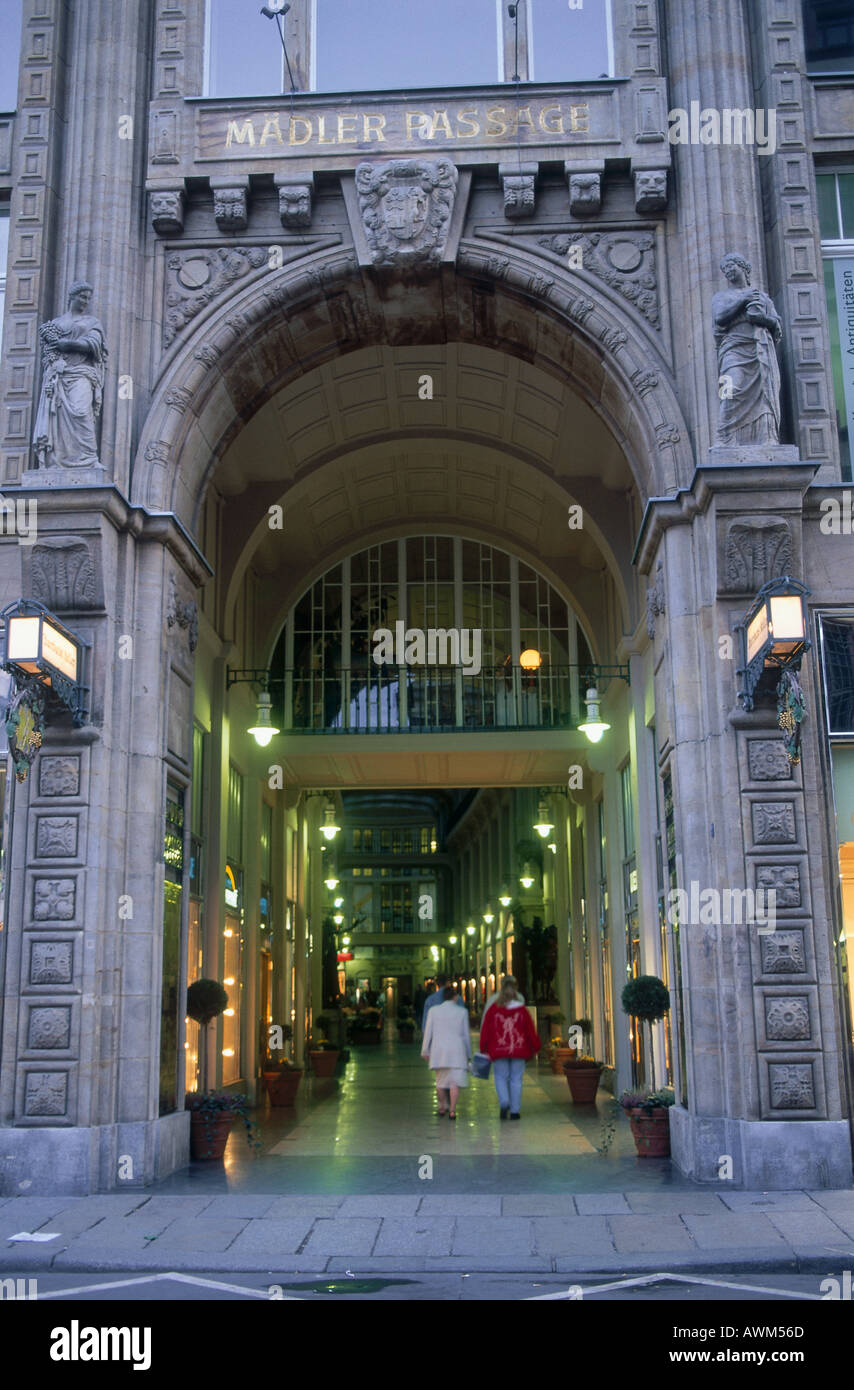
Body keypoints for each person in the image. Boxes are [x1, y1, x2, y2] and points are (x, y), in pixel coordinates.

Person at [33, 282, 108, 470]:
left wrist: (68, 345)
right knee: (57, 418)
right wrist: (56, 358)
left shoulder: (92, 322)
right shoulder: (56, 324)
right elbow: (48, 353)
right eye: (82, 297)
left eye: (88, 298)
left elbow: (95, 344)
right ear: (71, 297)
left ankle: (88, 458)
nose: (85, 301)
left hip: (82, 374)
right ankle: (56, 461)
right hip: (59, 375)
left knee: (82, 412)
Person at [713, 252, 782, 447]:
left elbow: (777, 325)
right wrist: (743, 300)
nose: (727, 271)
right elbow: (720, 317)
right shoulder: (722, 296)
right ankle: (725, 437)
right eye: (724, 269)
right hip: (733, 351)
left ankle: (767, 437)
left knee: (764, 393)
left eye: (730, 266)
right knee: (730, 390)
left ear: (742, 267)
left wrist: (762, 319)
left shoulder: (762, 297)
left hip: (760, 349)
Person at [479, 979, 541, 1120]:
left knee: (500, 1077)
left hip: (498, 1049)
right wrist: (536, 1046)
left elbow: (486, 1030)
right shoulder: (522, 1010)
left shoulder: (493, 1010)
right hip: (518, 1050)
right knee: (516, 1079)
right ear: (515, 992)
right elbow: (530, 1030)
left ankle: (504, 1102)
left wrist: (484, 1047)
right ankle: (515, 1111)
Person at [421, 985, 472, 1119]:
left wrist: (425, 1050)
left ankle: (443, 1105)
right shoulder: (462, 1012)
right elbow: (466, 1035)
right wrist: (469, 1054)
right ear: (455, 997)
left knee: (440, 1082)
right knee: (454, 1083)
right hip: (457, 1052)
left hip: (439, 1052)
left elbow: (428, 1032)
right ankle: (453, 1111)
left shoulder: (433, 1011)